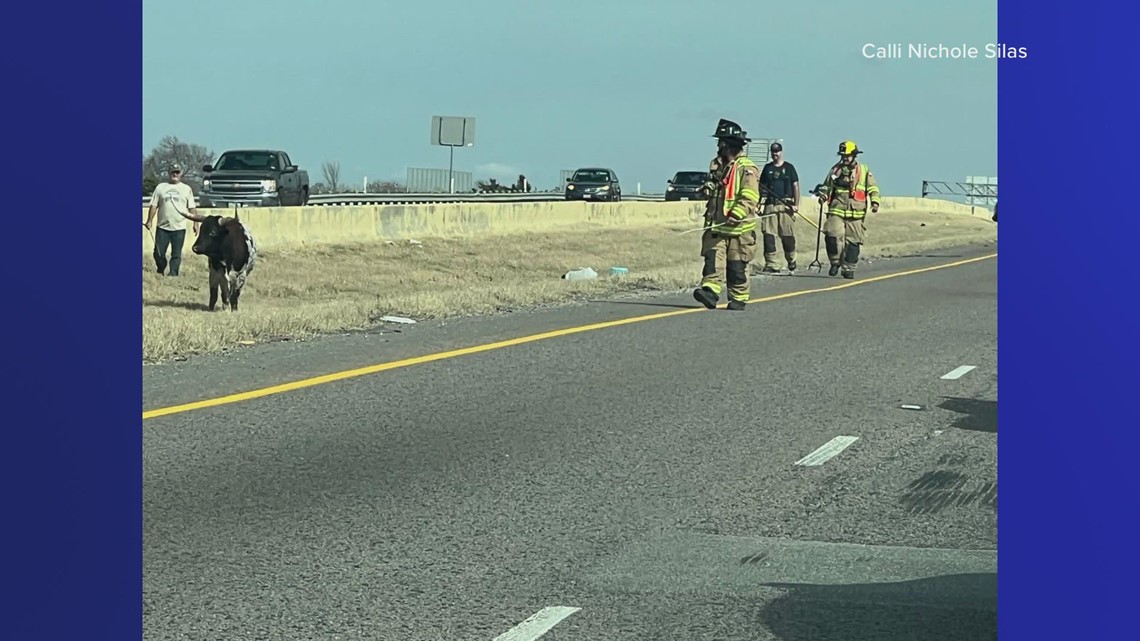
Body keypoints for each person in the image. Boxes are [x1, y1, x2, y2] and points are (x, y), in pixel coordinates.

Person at [693, 119, 762, 311]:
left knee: (736, 266)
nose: (718, 146)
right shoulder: (717, 166)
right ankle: (710, 293)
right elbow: (715, 186)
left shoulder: (746, 168)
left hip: (739, 229)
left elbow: (750, 196)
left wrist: (737, 213)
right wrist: (705, 189)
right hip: (716, 226)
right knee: (712, 260)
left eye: (720, 142)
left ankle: (738, 298)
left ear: (728, 144)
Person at [816, 140, 880, 279]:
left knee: (853, 242)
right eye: (842, 155)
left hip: (856, 213)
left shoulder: (863, 170)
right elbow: (826, 186)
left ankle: (848, 269)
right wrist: (823, 195)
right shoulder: (835, 170)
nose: (844, 158)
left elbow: (873, 188)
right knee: (831, 236)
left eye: (847, 156)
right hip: (836, 210)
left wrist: (875, 202)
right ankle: (834, 263)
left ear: (854, 155)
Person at [144, 162, 200, 276]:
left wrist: (196, 223)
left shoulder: (186, 189)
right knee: (158, 254)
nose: (175, 174)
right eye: (173, 172)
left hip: (179, 227)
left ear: (181, 174)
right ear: (169, 173)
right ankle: (161, 268)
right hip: (162, 227)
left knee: (176, 254)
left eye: (177, 172)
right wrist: (149, 220)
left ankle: (173, 273)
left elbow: (192, 208)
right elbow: (154, 205)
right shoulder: (161, 187)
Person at [758, 141, 800, 273]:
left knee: (787, 236)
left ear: (781, 152)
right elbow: (761, 188)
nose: (775, 154)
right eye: (773, 152)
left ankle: (791, 259)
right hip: (770, 204)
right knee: (769, 235)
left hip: (785, 206)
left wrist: (796, 205)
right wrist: (759, 204)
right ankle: (772, 264)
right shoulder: (767, 168)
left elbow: (796, 186)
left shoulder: (789, 168)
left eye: (777, 152)